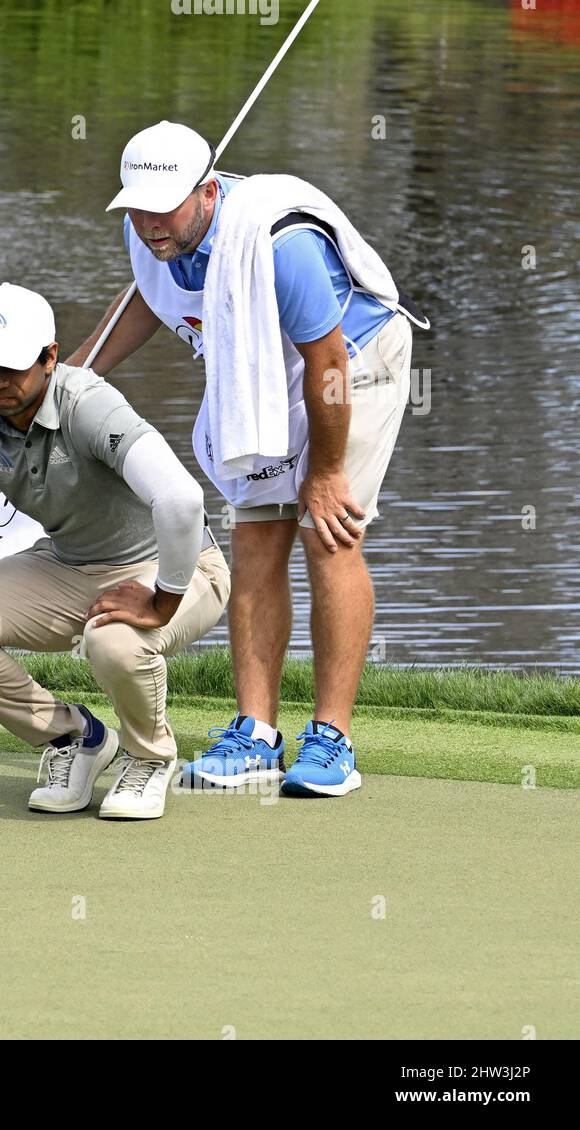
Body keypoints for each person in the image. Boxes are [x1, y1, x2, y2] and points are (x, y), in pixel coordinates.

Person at [70, 120, 429, 797]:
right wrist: (77, 378)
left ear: (208, 191)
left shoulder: (280, 246)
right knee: (257, 538)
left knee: (328, 533)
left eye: (163, 205)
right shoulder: (150, 228)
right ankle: (256, 734)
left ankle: (333, 741)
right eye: (136, 207)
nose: (148, 222)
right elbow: (150, 295)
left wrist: (323, 475)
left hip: (352, 363)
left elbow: (326, 365)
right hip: (261, 369)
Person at [0, 283, 230, 820]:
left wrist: (161, 600)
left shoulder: (88, 404)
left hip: (179, 567)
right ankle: (76, 738)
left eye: (13, 367)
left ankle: (150, 756)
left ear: (49, 357)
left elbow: (182, 501)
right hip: (69, 565)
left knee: (113, 641)